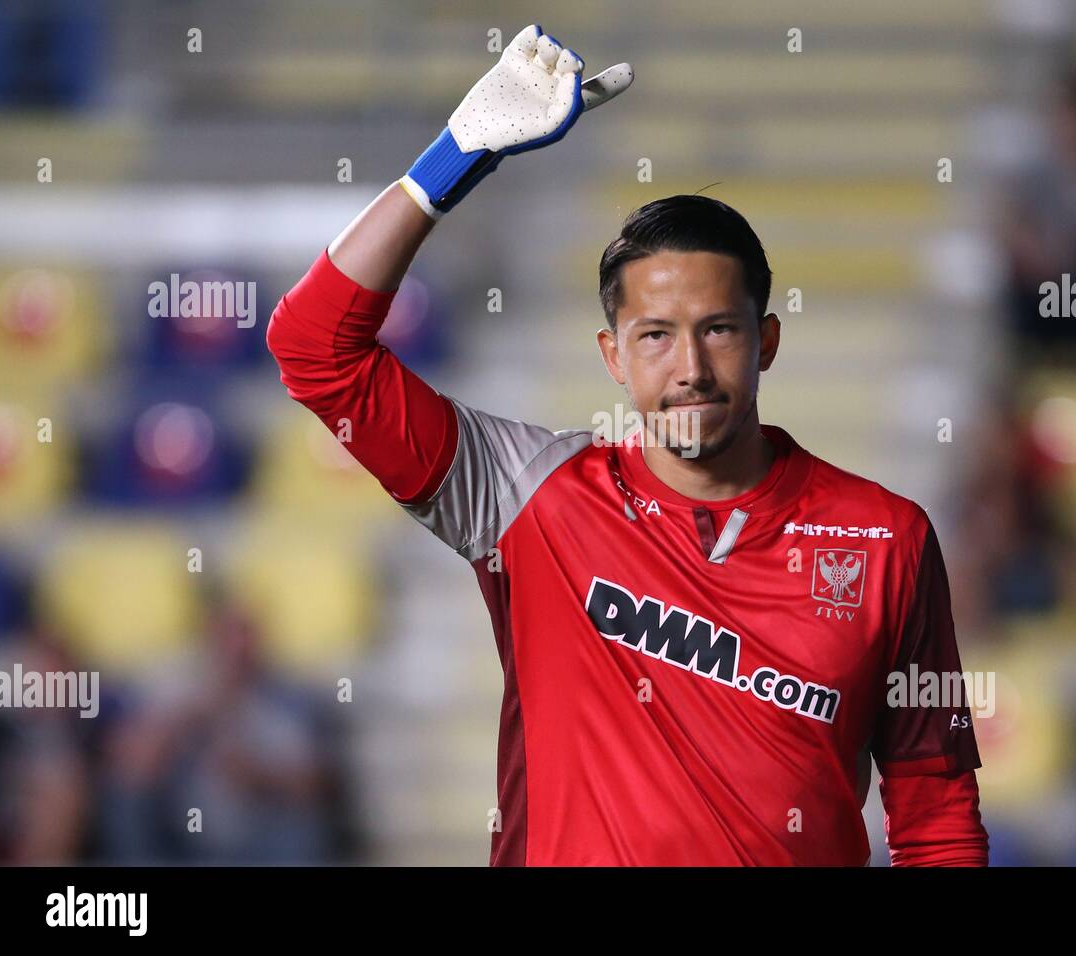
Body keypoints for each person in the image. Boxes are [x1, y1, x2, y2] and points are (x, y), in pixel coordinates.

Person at [266, 24, 988, 866]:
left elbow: (936, 812)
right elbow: (314, 348)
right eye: (654, 336)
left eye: (718, 330)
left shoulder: (887, 536)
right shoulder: (527, 496)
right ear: (613, 355)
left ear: (768, 341)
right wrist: (454, 159)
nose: (689, 368)